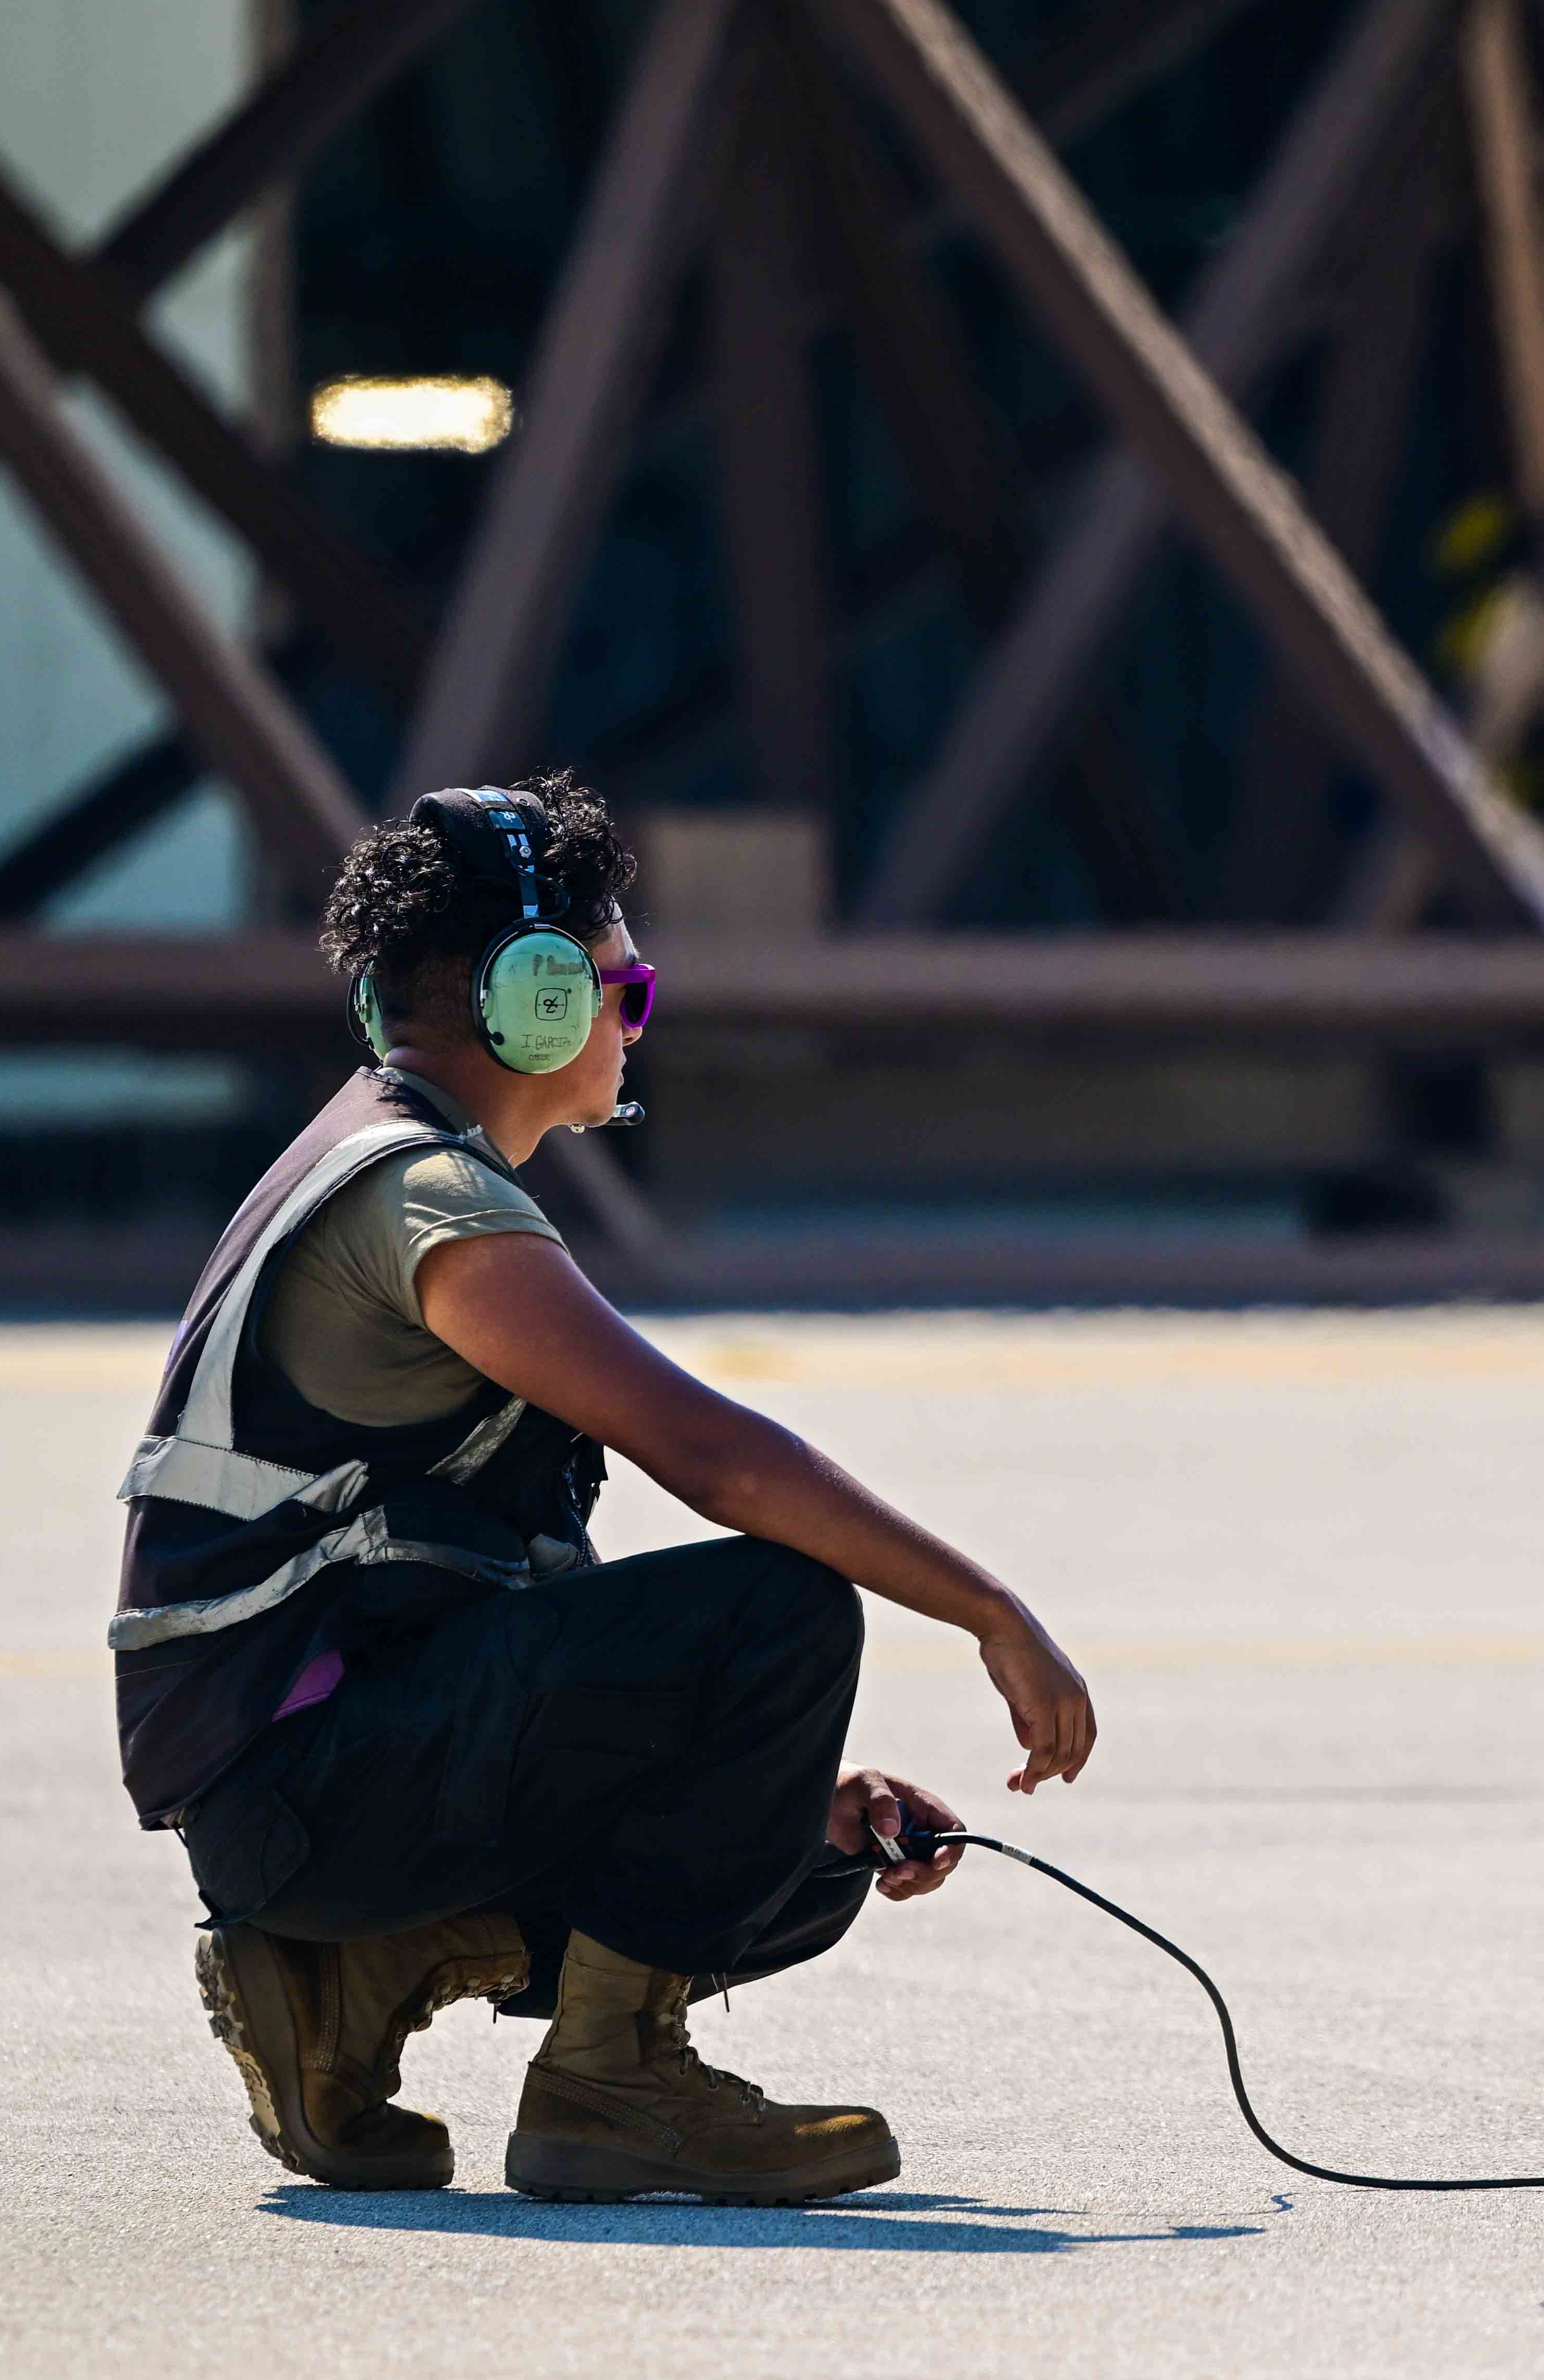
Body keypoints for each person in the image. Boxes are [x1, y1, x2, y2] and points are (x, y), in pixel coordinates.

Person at [109, 775, 1096, 2204]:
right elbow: (718, 1458)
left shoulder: (376, 1157)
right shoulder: (424, 1204)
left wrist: (775, 1801)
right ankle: (612, 2088)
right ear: (535, 1000)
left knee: (797, 1865)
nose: (633, 1019)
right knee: (780, 1608)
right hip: (303, 1786)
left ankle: (340, 1985)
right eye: (622, 988)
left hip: (300, 1792)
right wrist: (988, 1608)